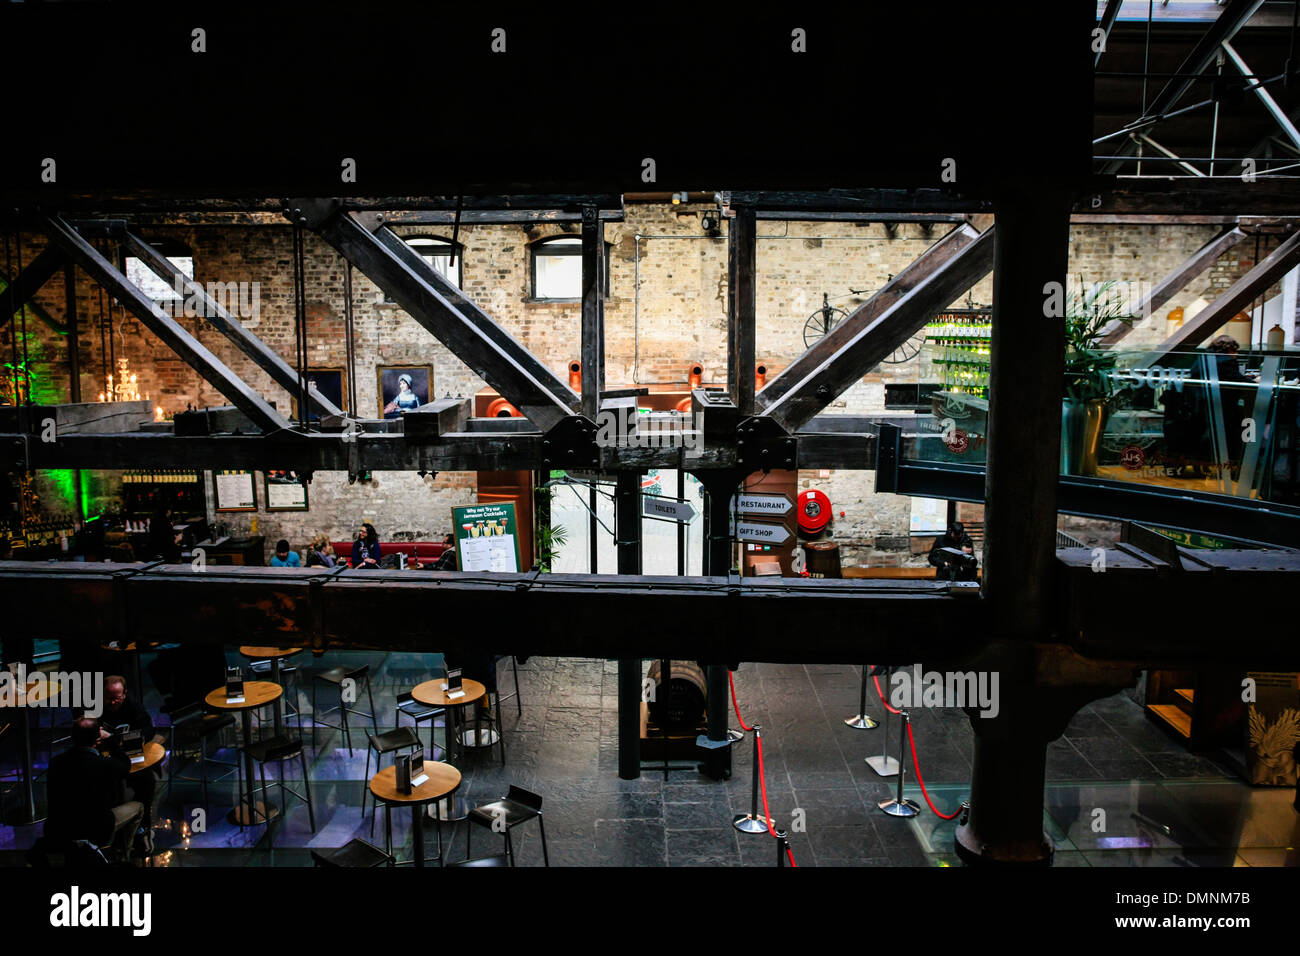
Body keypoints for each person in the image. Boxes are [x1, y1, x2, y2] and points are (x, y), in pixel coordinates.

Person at [45, 716, 143, 860]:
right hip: (95, 831)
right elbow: (125, 765)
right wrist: (110, 740)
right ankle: (123, 855)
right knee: (138, 807)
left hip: (60, 831)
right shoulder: (104, 765)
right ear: (97, 740)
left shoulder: (55, 763)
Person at [99, 675, 157, 832]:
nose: (112, 702)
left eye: (116, 698)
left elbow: (149, 729)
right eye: (108, 698)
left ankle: (142, 824)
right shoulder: (95, 707)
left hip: (130, 754)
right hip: (105, 757)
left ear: (124, 694)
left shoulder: (133, 706)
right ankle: (110, 822)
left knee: (147, 780)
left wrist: (137, 737)